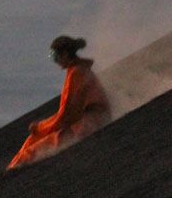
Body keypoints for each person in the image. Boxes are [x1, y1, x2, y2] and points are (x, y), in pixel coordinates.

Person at [7, 35, 112, 170]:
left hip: (87, 125)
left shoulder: (77, 73)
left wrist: (41, 128)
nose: (55, 61)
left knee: (31, 152)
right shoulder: (78, 70)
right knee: (32, 140)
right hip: (85, 122)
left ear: (65, 54)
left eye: (55, 56)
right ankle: (10, 169)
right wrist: (41, 127)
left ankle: (10, 173)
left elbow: (67, 115)